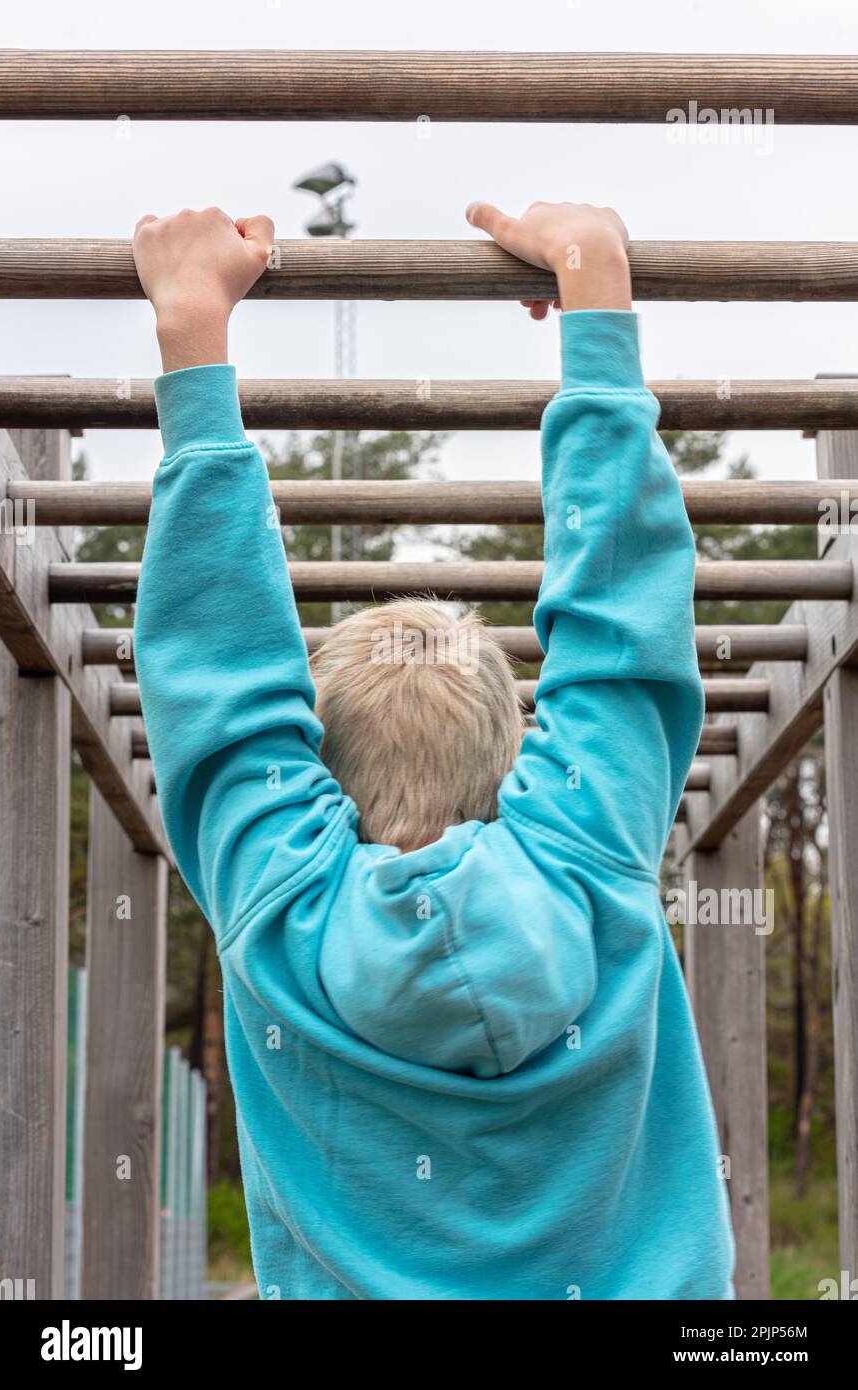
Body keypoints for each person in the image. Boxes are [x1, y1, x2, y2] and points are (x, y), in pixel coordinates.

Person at [132, 199, 735, 1299]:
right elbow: (621, 627)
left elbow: (219, 680)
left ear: (317, 777)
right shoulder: (587, 858)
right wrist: (593, 293)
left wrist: (193, 337)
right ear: (515, 766)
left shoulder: (280, 905)